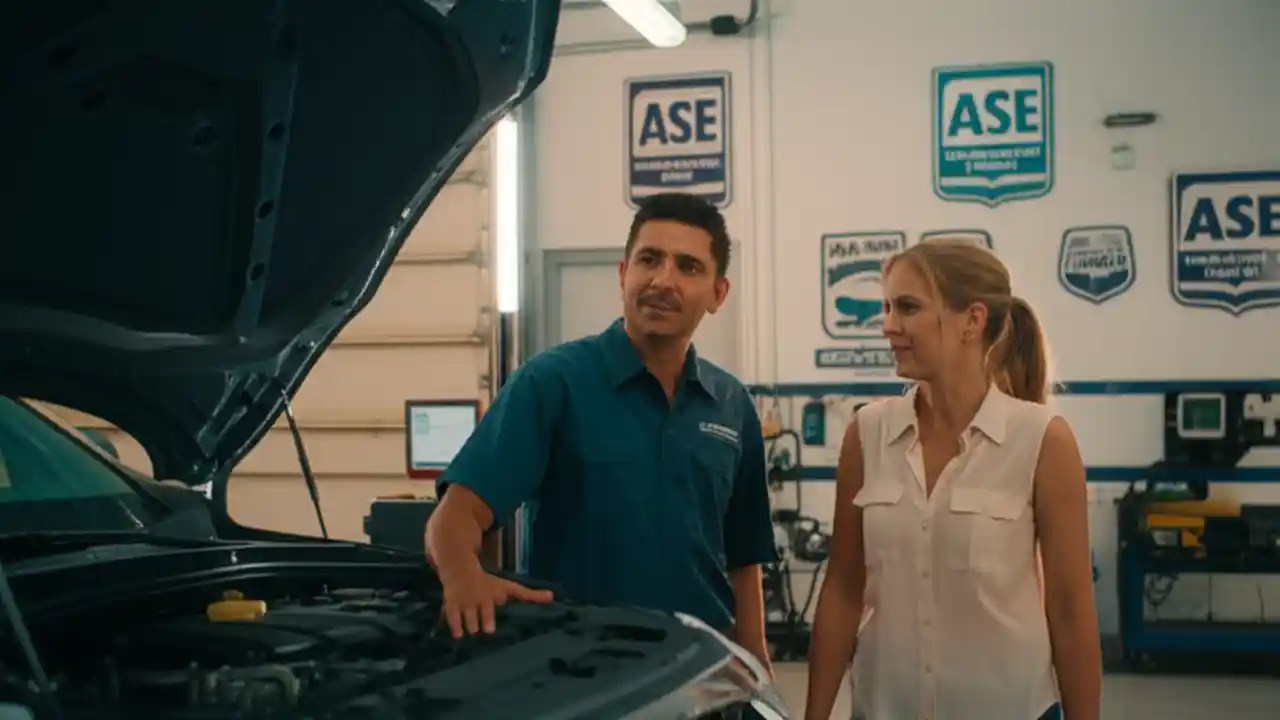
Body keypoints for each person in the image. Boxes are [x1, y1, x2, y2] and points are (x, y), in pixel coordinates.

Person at [424, 192, 778, 672]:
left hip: (699, 674)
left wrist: (754, 656)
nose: (662, 280)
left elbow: (742, 556)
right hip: (581, 675)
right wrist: (463, 576)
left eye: (689, 267)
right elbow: (457, 515)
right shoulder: (552, 382)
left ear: (718, 293)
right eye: (649, 259)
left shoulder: (732, 404)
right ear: (622, 274)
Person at [805, 239, 1103, 720]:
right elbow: (842, 587)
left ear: (973, 320)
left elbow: (1070, 611)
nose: (888, 325)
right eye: (886, 307)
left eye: (908, 307)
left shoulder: (1042, 440)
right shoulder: (868, 434)